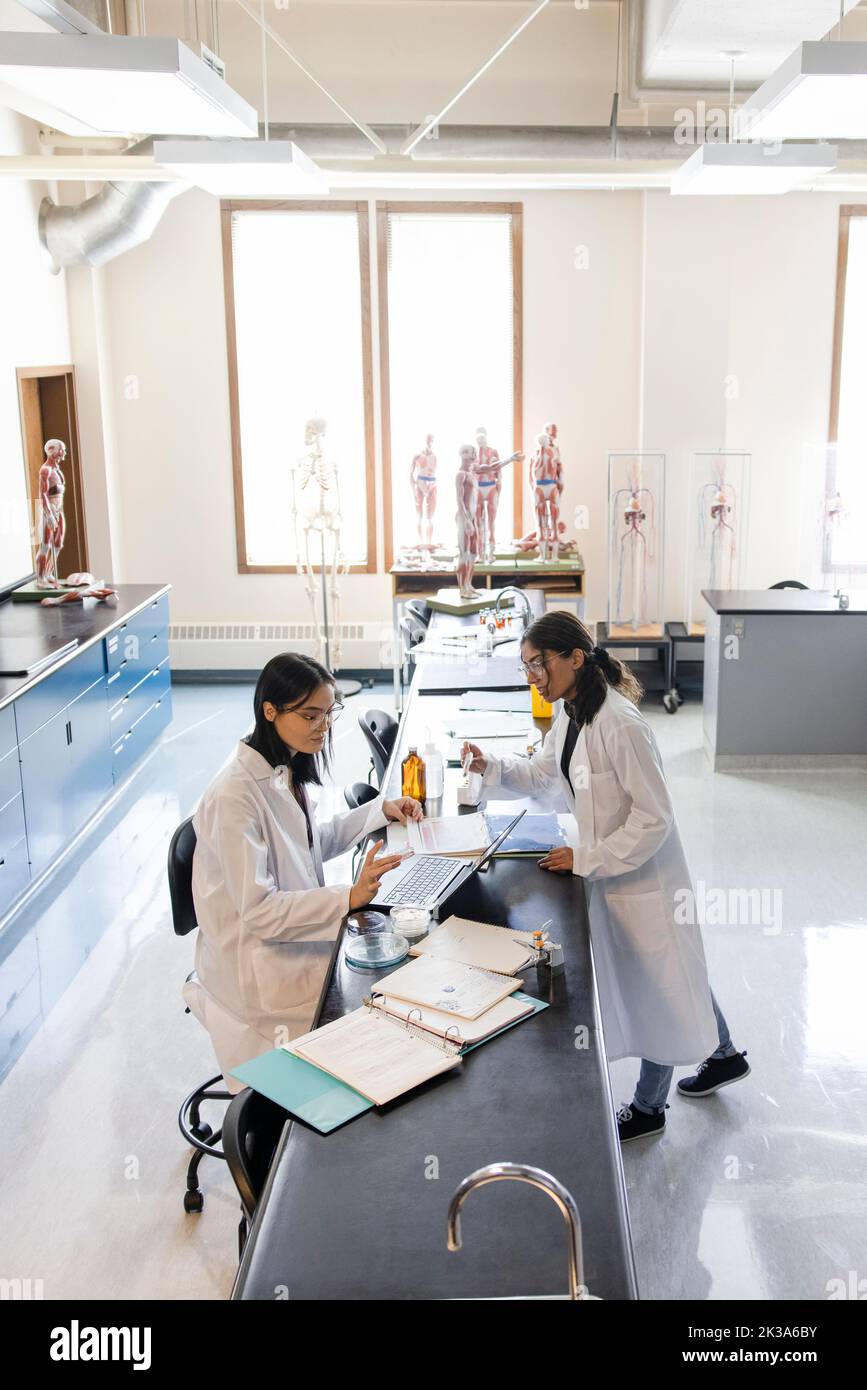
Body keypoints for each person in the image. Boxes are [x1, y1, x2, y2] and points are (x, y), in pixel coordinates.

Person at [462, 611, 749, 1142]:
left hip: (646, 880)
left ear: (575, 658)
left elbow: (654, 816)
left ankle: (648, 1108)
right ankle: (726, 1054)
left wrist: (587, 857)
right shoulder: (574, 711)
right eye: (526, 667)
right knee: (672, 974)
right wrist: (493, 766)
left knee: (658, 986)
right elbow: (547, 776)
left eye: (539, 665)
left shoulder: (619, 722)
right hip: (617, 874)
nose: (533, 678)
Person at [184, 653, 422, 1091]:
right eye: (310, 715)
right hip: (260, 969)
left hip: (295, 939)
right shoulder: (234, 796)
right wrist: (348, 898)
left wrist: (379, 812)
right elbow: (259, 913)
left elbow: (311, 842)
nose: (323, 726)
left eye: (329, 712)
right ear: (269, 710)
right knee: (385, 1011)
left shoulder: (281, 766)